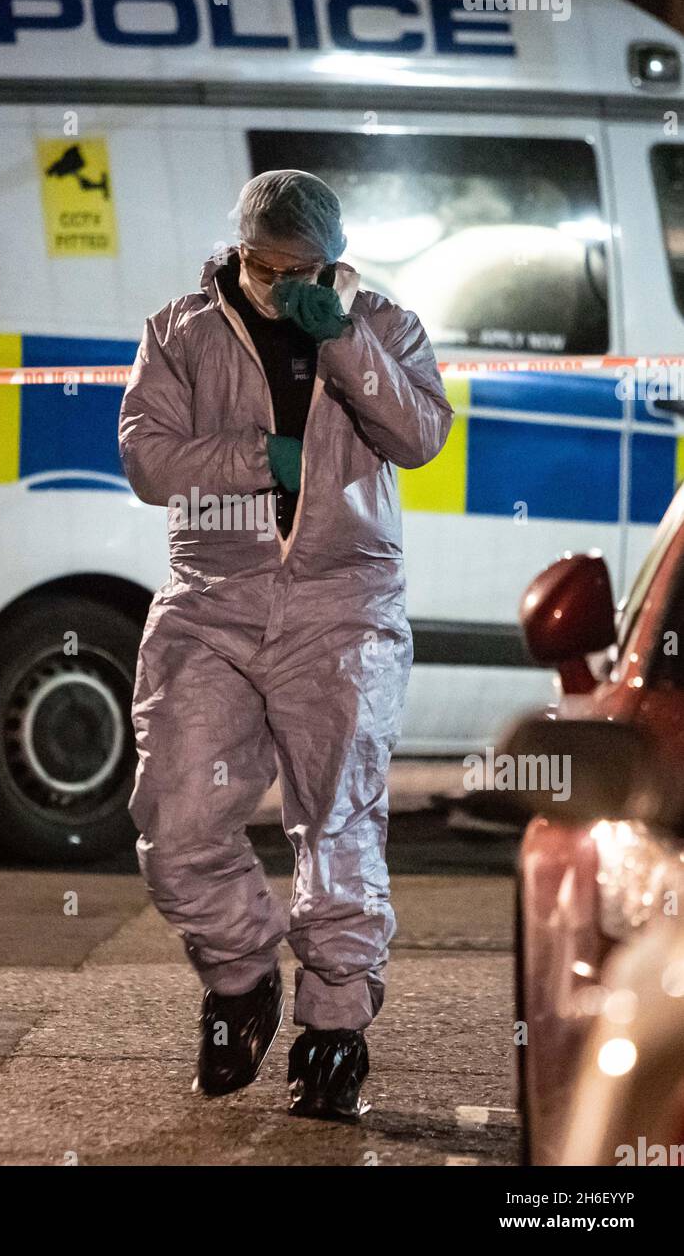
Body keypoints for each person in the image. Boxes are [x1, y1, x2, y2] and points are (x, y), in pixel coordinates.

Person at [118, 169, 453, 1121]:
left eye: (303, 268)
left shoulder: (383, 325)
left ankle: (336, 1028)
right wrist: (256, 458)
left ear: (333, 261)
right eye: (267, 266)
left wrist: (341, 340)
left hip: (343, 601)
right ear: (240, 251)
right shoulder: (179, 331)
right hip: (212, 596)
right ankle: (239, 978)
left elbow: (421, 431)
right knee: (177, 823)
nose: (282, 280)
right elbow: (146, 455)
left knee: (339, 820)